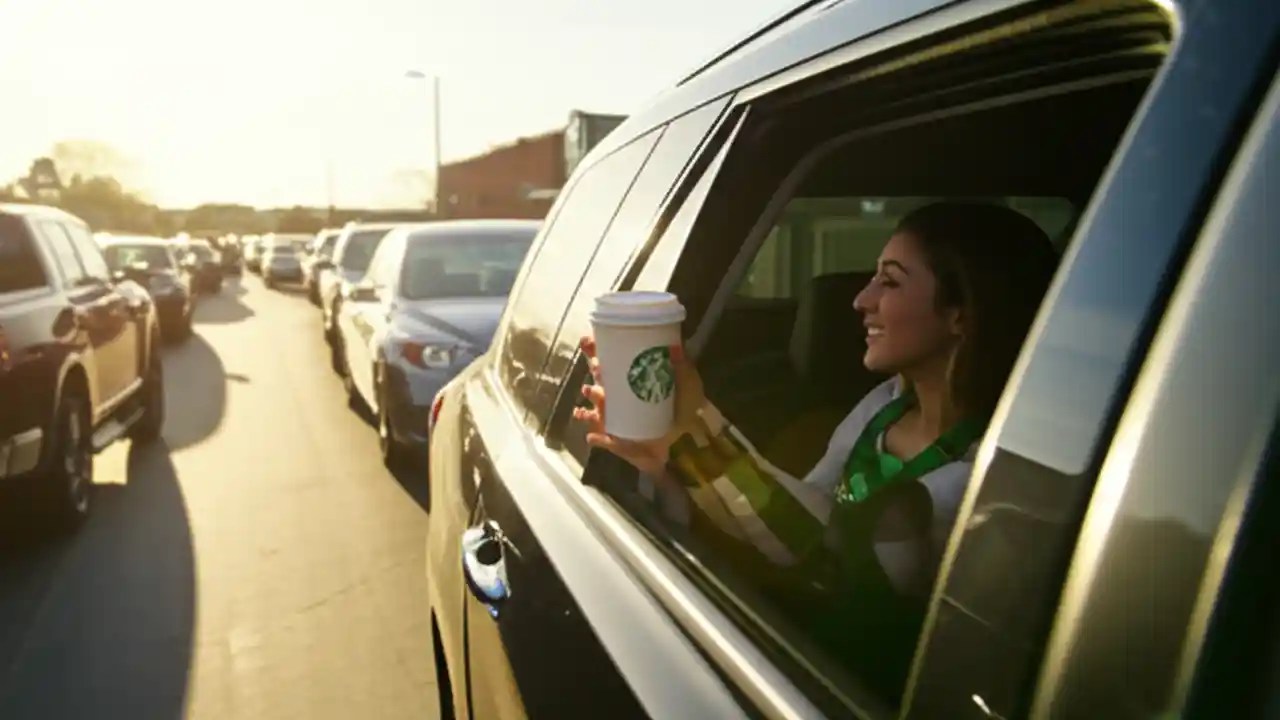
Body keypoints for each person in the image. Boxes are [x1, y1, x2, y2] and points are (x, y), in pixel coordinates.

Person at [574, 201, 1059, 700]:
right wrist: (665, 465)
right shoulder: (884, 405)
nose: (860, 299)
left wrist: (696, 426)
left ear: (961, 315)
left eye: (889, 282)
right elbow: (803, 507)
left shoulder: (987, 476)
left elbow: (823, 551)